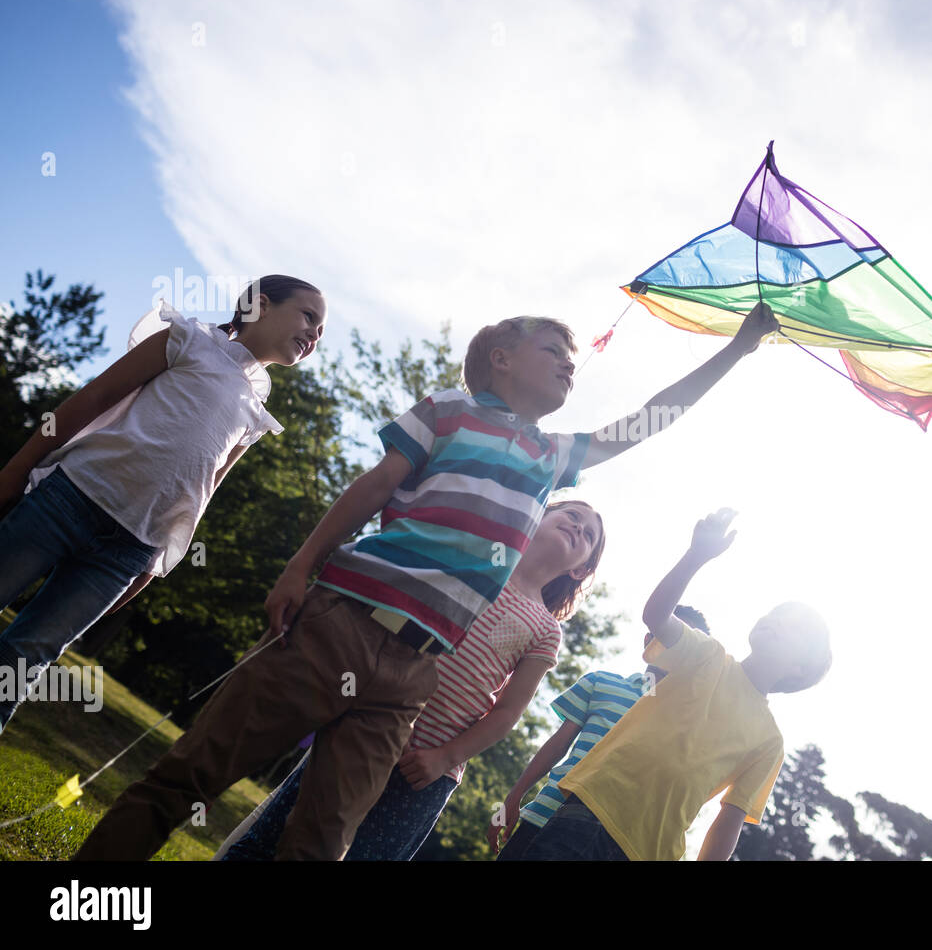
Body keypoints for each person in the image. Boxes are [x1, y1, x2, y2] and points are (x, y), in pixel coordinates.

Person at [75, 303, 778, 861]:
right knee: (190, 776)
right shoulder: (446, 412)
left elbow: (650, 420)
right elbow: (371, 487)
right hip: (340, 624)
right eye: (554, 354)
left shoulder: (555, 457)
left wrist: (736, 351)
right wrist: (300, 567)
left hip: (412, 676)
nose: (571, 366)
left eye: (573, 361)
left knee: (321, 843)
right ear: (501, 361)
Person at [0, 276, 325, 733]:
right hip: (70, 498)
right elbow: (92, 399)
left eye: (321, 331)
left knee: (27, 653)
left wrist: (151, 567)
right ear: (261, 304)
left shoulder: (257, 405)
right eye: (310, 317)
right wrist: (16, 470)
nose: (315, 334)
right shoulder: (187, 338)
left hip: (127, 552)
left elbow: (203, 492)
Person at [215, 500, 604, 861]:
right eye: (571, 514)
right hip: (365, 729)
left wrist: (446, 757)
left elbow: (506, 714)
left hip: (424, 773)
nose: (577, 526)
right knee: (273, 837)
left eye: (589, 535)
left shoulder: (545, 630)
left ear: (580, 569)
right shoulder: (473, 563)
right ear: (537, 517)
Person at [525, 508, 832, 861]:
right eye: (776, 613)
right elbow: (655, 616)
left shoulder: (770, 742)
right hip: (587, 809)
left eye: (793, 627)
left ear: (798, 669)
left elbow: (728, 821)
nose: (776, 621)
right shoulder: (707, 653)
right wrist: (696, 556)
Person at [490, 605, 709, 860]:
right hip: (545, 814)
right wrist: (515, 794)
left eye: (685, 643)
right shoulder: (601, 683)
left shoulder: (686, 722)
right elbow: (558, 745)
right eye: (669, 635)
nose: (674, 647)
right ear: (648, 640)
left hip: (608, 844)